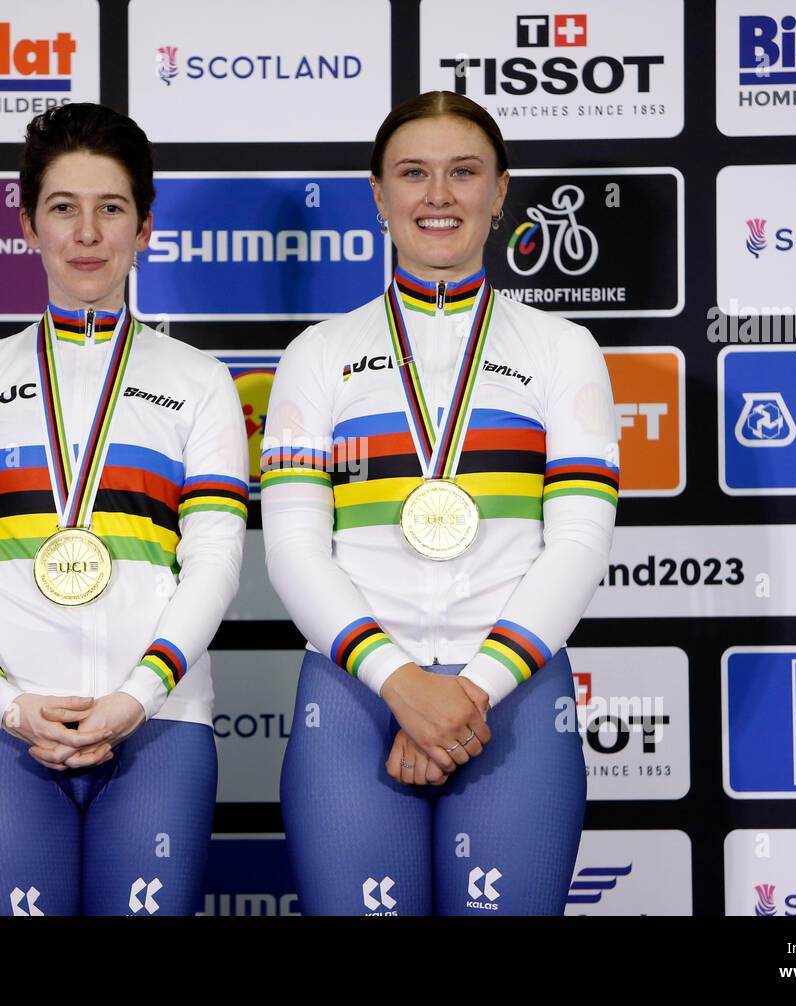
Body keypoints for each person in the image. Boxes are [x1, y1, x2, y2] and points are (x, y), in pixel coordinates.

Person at [262, 91, 620, 915]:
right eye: (412, 174)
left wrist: (468, 694)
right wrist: (401, 686)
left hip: (513, 694)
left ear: (500, 193)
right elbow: (291, 551)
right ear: (377, 195)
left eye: (464, 173)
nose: (438, 195)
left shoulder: (564, 350)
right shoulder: (318, 355)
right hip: (355, 694)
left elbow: (577, 546)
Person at [0, 103, 249, 916]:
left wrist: (137, 696)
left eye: (111, 208)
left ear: (145, 227)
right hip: (6, 727)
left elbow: (217, 564)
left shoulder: (198, 380)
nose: (87, 232)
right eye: (64, 208)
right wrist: (6, 701)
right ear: (28, 225)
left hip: (160, 726)